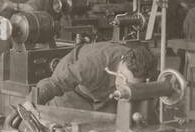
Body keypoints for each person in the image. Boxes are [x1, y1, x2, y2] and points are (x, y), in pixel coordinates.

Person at [23, 40, 158, 112]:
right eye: (121, 77)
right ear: (122, 60)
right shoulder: (95, 63)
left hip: (102, 98)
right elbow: (56, 83)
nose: (123, 86)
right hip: (73, 89)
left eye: (130, 85)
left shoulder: (144, 68)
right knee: (60, 124)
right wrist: (30, 103)